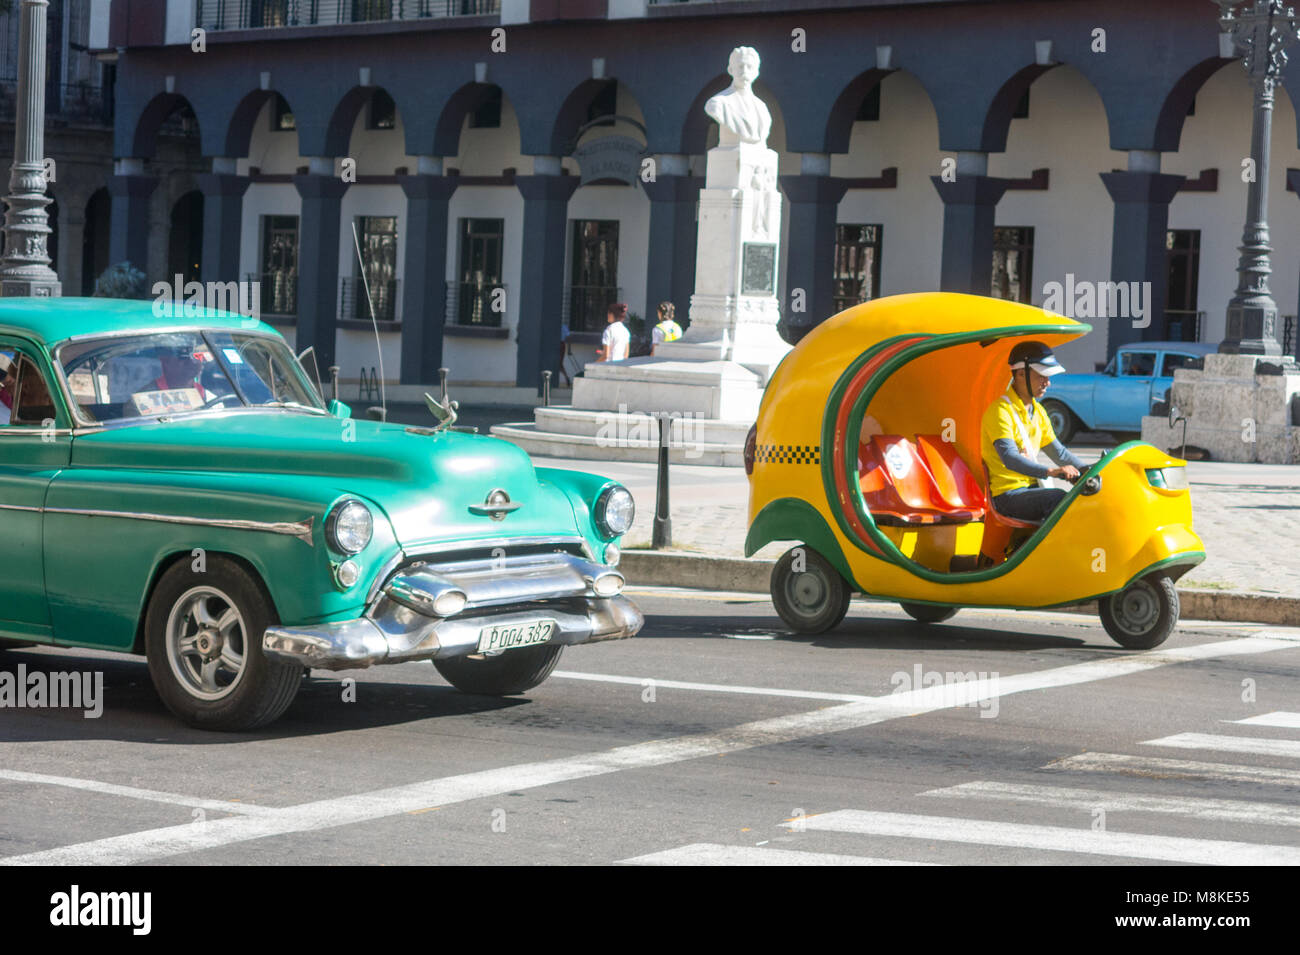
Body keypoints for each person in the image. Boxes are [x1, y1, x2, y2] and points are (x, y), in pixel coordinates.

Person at [980, 341, 1086, 523]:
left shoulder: (1039, 412)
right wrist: (1052, 471)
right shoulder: (1000, 411)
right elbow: (1010, 458)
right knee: (1057, 498)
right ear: (1020, 374)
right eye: (1042, 376)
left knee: (1081, 500)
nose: (1048, 382)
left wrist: (1089, 470)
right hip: (1008, 496)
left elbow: (1059, 453)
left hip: (1031, 490)